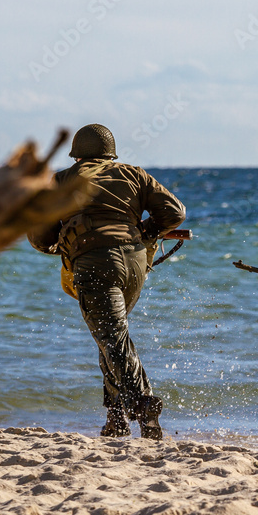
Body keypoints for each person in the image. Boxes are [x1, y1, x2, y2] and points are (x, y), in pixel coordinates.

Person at [28, 124, 185, 439]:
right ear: (110, 154)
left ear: (76, 156)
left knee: (112, 340)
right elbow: (175, 212)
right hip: (136, 264)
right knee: (112, 338)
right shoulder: (134, 174)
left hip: (96, 263)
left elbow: (40, 234)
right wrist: (147, 231)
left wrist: (56, 244)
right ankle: (116, 419)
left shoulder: (61, 180)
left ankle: (142, 403)